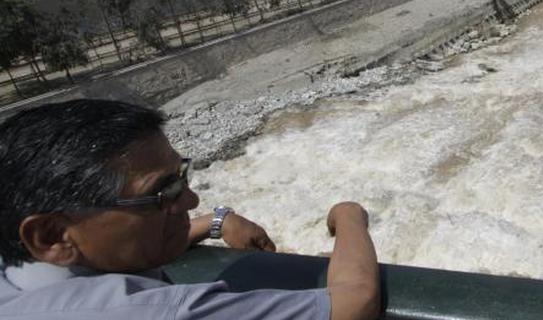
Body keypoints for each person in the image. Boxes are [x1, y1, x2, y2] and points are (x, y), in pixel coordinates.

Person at [0, 99, 380, 319]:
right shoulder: (143, 312)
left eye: (181, 176)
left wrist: (215, 222)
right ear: (51, 236)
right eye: (163, 191)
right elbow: (355, 299)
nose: (191, 199)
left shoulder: (19, 277)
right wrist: (348, 216)